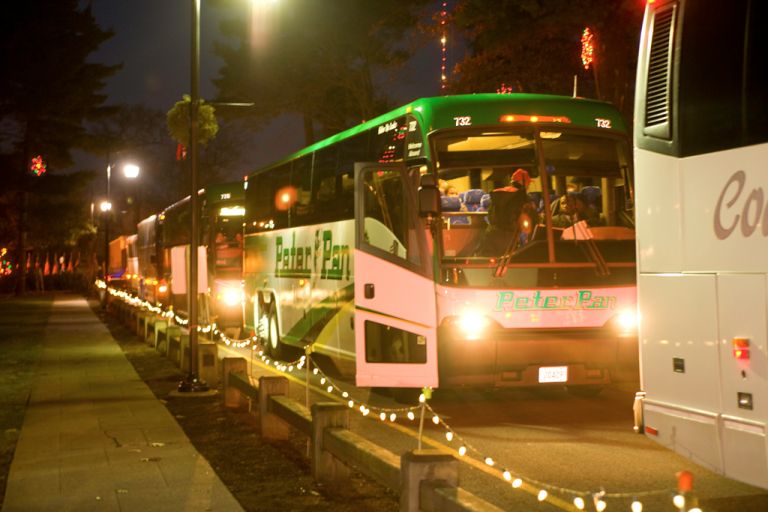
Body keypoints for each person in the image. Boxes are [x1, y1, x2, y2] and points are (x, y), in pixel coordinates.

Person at [480, 168, 536, 255]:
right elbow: (527, 221)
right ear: (522, 182)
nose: (528, 185)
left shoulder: (498, 194)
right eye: (528, 182)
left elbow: (490, 216)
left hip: (491, 234)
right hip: (511, 239)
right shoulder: (521, 197)